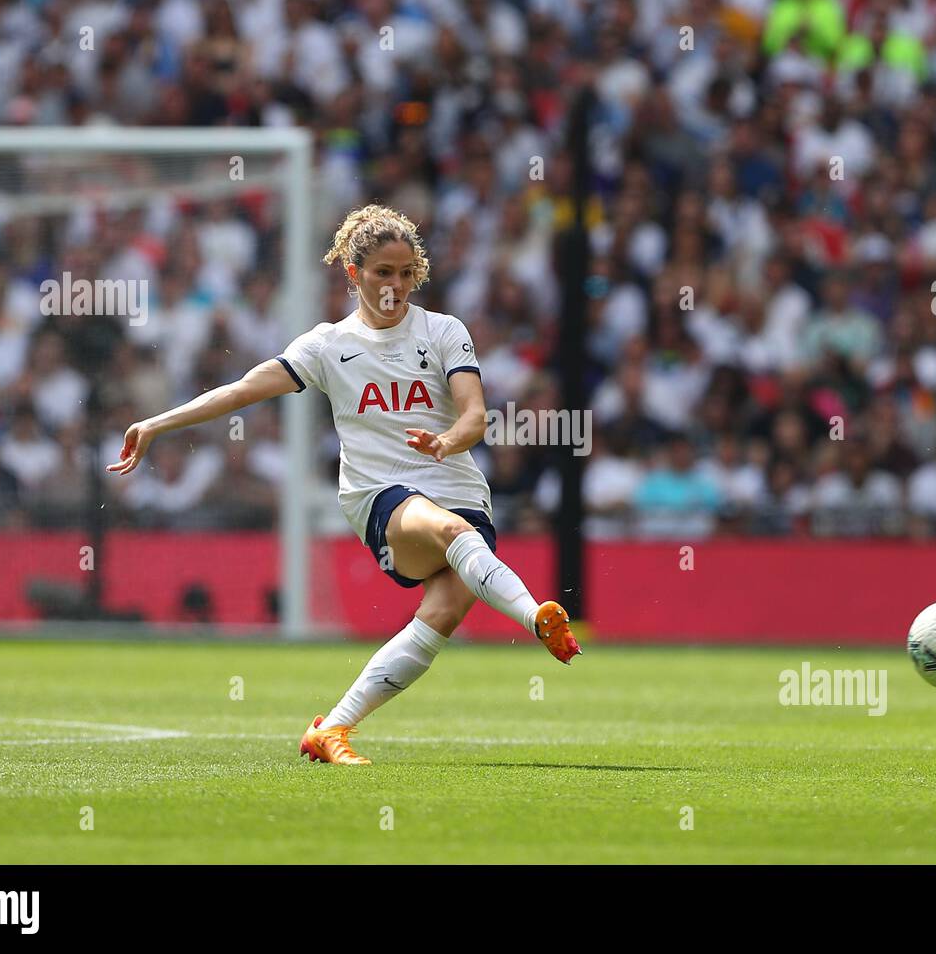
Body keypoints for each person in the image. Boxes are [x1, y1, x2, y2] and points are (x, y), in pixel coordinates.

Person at [107, 204, 581, 765]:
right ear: (354, 274)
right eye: (383, 272)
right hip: (380, 496)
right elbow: (241, 390)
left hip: (458, 487)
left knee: (443, 614)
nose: (396, 285)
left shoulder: (443, 330)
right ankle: (536, 618)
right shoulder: (328, 345)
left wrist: (448, 442)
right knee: (445, 529)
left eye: (406, 273)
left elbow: (476, 416)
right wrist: (157, 424)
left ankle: (331, 729)